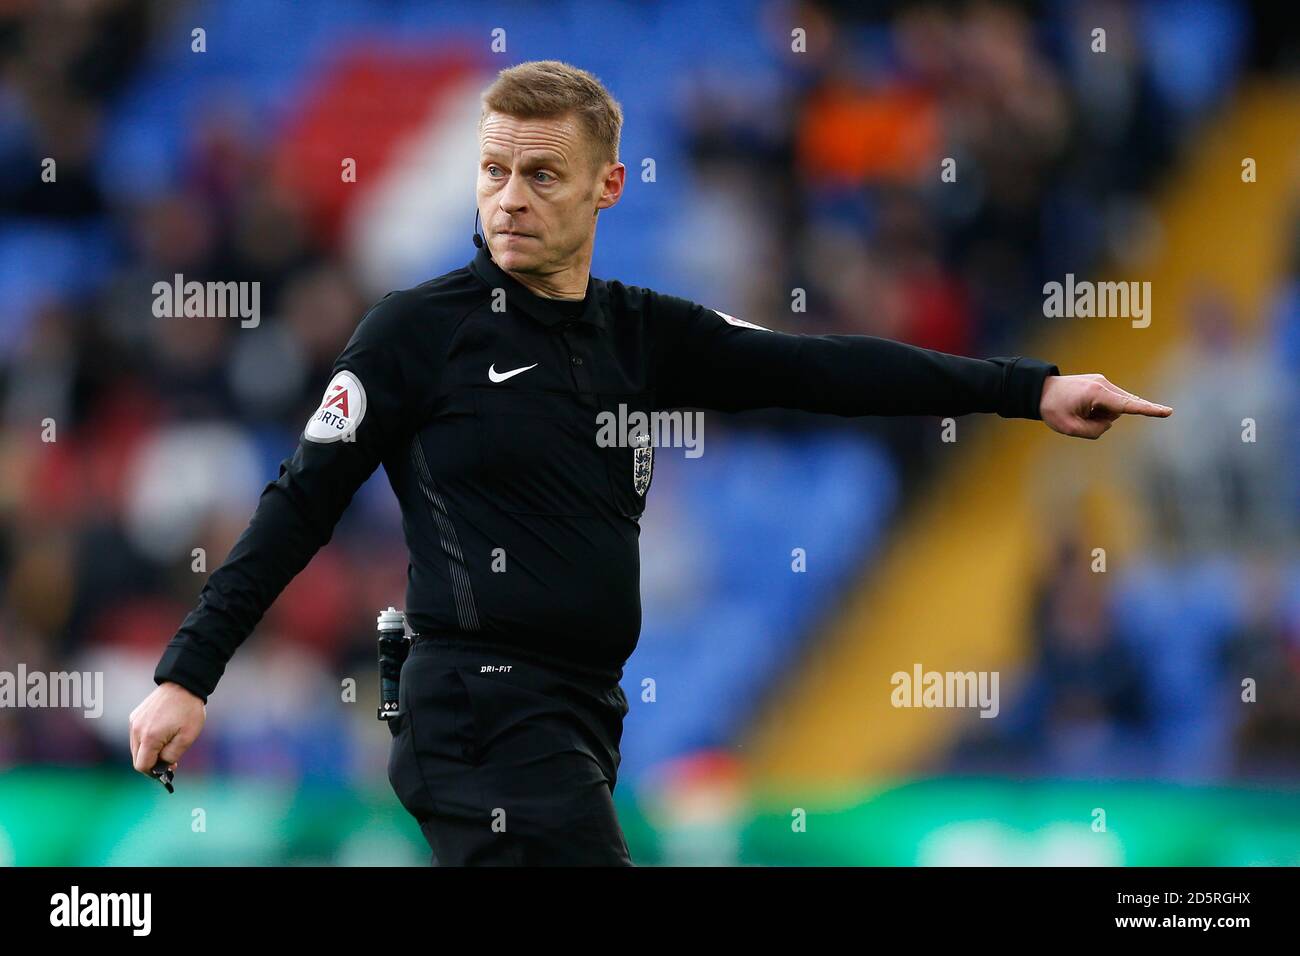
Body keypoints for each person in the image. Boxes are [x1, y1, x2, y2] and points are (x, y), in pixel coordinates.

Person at [128, 60, 1173, 865]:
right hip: (479, 705)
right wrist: (187, 673)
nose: (510, 197)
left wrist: (1024, 388)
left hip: (580, 712)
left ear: (607, 186)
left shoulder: (640, 333)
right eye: (494, 171)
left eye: (542, 174)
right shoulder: (413, 332)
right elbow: (297, 503)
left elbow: (825, 371)